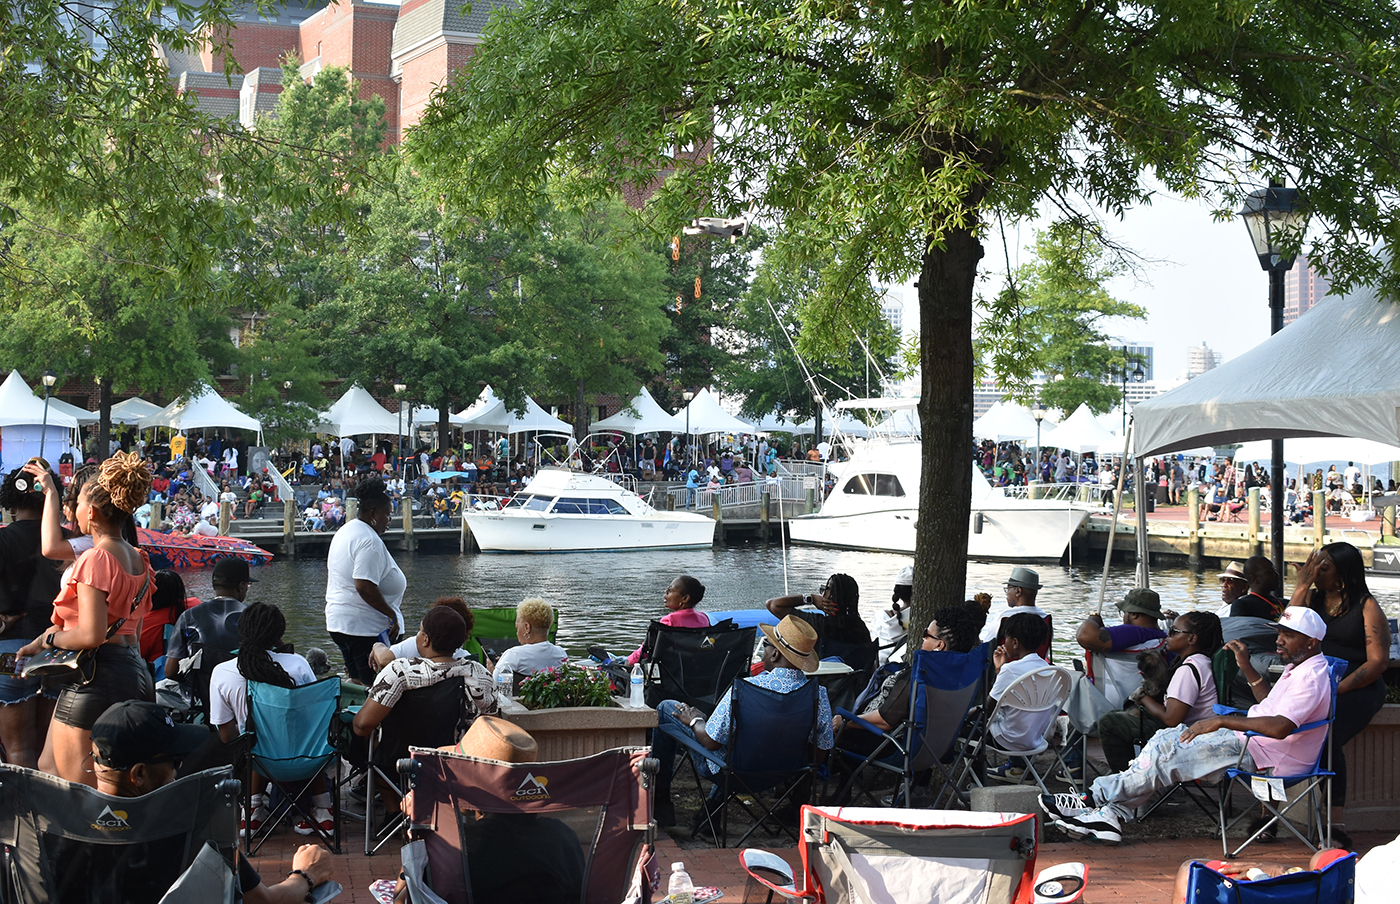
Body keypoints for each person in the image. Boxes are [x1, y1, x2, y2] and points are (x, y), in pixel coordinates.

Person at [1041, 607, 1333, 845]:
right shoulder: (1299, 666)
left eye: (1288, 635)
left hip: (1266, 756)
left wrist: (1220, 720)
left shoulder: (1310, 678)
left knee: (1167, 755)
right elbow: (1271, 705)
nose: (1279, 640)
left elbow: (1280, 727)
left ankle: (1092, 798)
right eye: (1280, 633)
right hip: (1252, 742)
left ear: (1311, 642)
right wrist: (1245, 666)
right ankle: (1111, 815)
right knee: (1166, 740)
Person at [89, 700, 335, 904]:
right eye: (175, 760)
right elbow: (263, 902)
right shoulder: (195, 831)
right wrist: (305, 874)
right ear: (139, 774)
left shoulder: (66, 827)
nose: (179, 768)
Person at [19, 452, 154, 787]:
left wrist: (50, 640)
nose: (74, 509)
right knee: (48, 765)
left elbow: (92, 634)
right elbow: (128, 631)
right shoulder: (139, 559)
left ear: (91, 512)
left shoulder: (95, 558)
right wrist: (40, 642)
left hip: (95, 677)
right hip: (131, 671)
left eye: (77, 502)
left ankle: (89, 841)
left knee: (84, 789)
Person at [651, 615, 834, 828]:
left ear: (775, 654)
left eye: (765, 645)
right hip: (783, 773)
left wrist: (695, 720)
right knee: (742, 740)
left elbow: (711, 742)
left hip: (732, 772)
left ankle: (660, 804)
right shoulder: (817, 695)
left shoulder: (746, 689)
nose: (763, 650)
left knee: (666, 708)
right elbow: (819, 753)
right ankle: (709, 815)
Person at [1293, 542, 1391, 848]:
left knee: (1328, 736)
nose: (1316, 571)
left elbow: (1377, 662)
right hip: (1318, 683)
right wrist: (1302, 585)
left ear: (1343, 575)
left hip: (1358, 686)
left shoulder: (1366, 605)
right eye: (1315, 564)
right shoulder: (1313, 599)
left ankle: (1336, 823)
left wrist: (1338, 688)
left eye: (1324, 567)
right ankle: (1274, 814)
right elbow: (1288, 628)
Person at [352, 607, 498, 807]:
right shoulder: (478, 674)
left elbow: (362, 725)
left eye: (420, 631)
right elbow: (492, 724)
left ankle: (393, 811)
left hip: (396, 763)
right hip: (452, 762)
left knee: (361, 741)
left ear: (426, 640)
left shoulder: (401, 672)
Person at [207, 602, 330, 835]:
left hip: (258, 761)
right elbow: (315, 717)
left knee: (255, 738)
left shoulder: (222, 672)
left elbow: (226, 735)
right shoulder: (297, 664)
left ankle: (252, 811)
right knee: (305, 733)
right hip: (306, 758)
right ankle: (324, 811)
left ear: (241, 630)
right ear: (279, 635)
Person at [832, 603, 983, 759]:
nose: (923, 638)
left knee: (823, 731)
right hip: (934, 749)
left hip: (892, 745)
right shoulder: (959, 676)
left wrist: (846, 721)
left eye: (927, 634)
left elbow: (885, 721)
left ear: (939, 644)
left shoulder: (921, 675)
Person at [1096, 611, 1222, 773]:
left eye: (1174, 632)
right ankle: (1136, 772)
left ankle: (1128, 778)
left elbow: (1171, 719)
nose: (1168, 635)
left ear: (1192, 638)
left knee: (1110, 722)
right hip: (1195, 731)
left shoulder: (1189, 670)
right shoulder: (1202, 661)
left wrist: (1143, 697)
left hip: (1186, 736)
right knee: (1119, 715)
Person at [0, 463, 64, 769]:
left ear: (10, 503)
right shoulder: (66, 543)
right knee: (48, 752)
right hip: (57, 649)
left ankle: (20, 814)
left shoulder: (2, 541)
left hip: (8, 653)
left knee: (18, 748)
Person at [325, 477, 405, 684]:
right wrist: (391, 614)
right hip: (365, 628)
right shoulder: (368, 540)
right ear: (373, 514)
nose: (389, 520)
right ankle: (371, 718)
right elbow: (364, 585)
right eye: (387, 515)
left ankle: (353, 715)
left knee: (356, 683)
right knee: (378, 687)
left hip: (341, 622)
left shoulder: (347, 530)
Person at [984, 612, 1054, 781]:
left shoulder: (1011, 670)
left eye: (1006, 639)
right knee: (1018, 716)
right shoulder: (1048, 668)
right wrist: (1001, 670)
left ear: (1014, 642)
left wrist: (1001, 672)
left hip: (1008, 740)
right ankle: (1016, 768)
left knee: (969, 726)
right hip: (1036, 739)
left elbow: (988, 708)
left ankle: (976, 781)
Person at [163, 556, 253, 681]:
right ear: (241, 586)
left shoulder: (189, 616)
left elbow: (170, 672)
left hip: (201, 694)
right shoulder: (255, 616)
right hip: (244, 691)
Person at [370, 596, 485, 670]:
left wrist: (377, 645)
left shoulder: (404, 672)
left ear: (426, 639)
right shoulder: (469, 665)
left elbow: (384, 660)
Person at [624, 575, 710, 666]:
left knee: (618, 664)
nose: (666, 592)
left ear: (685, 598)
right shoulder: (704, 619)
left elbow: (647, 649)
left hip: (671, 672)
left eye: (670, 591)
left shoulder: (670, 621)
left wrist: (628, 662)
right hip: (696, 669)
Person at [765, 573, 871, 646]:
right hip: (854, 677)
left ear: (832, 596)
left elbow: (773, 605)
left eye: (825, 589)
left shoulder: (816, 624)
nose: (822, 593)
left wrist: (810, 598)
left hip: (820, 677)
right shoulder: (861, 629)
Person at [980, 566, 1052, 655]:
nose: (1007, 594)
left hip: (1004, 667)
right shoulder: (1046, 619)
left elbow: (986, 648)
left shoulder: (1004, 617)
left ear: (1018, 591)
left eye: (1008, 589)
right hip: (1038, 668)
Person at [491, 598, 567, 681]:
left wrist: (491, 670)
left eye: (517, 626)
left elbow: (493, 685)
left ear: (527, 627)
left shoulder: (514, 655)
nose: (517, 632)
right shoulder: (561, 654)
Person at [138, 569, 198, 667]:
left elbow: (138, 655)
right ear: (180, 590)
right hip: (190, 669)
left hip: (157, 675)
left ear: (152, 592)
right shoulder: (193, 606)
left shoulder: (144, 622)